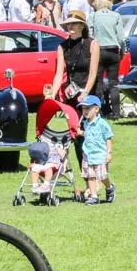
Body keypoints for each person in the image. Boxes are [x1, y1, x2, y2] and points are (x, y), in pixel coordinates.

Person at [50, 10, 99, 191]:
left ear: (82, 26)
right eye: (68, 24)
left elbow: (93, 72)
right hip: (72, 98)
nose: (70, 27)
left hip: (90, 96)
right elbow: (58, 75)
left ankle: (96, 178)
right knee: (77, 138)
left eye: (73, 24)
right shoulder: (62, 47)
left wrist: (86, 91)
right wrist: (52, 96)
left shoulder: (92, 44)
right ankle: (87, 181)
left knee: (91, 138)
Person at [87, 0, 125, 119]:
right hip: (114, 50)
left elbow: (90, 36)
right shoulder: (116, 16)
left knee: (98, 82)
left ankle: (101, 111)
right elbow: (121, 38)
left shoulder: (93, 16)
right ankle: (116, 113)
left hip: (99, 50)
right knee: (113, 83)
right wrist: (122, 52)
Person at [76, 95, 115, 206]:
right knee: (90, 176)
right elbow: (88, 135)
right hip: (88, 154)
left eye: (88, 108)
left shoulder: (102, 124)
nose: (85, 111)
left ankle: (109, 187)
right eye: (83, 108)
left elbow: (108, 138)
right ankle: (94, 196)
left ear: (96, 109)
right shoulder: (85, 123)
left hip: (100, 154)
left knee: (102, 176)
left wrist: (109, 153)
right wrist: (81, 133)